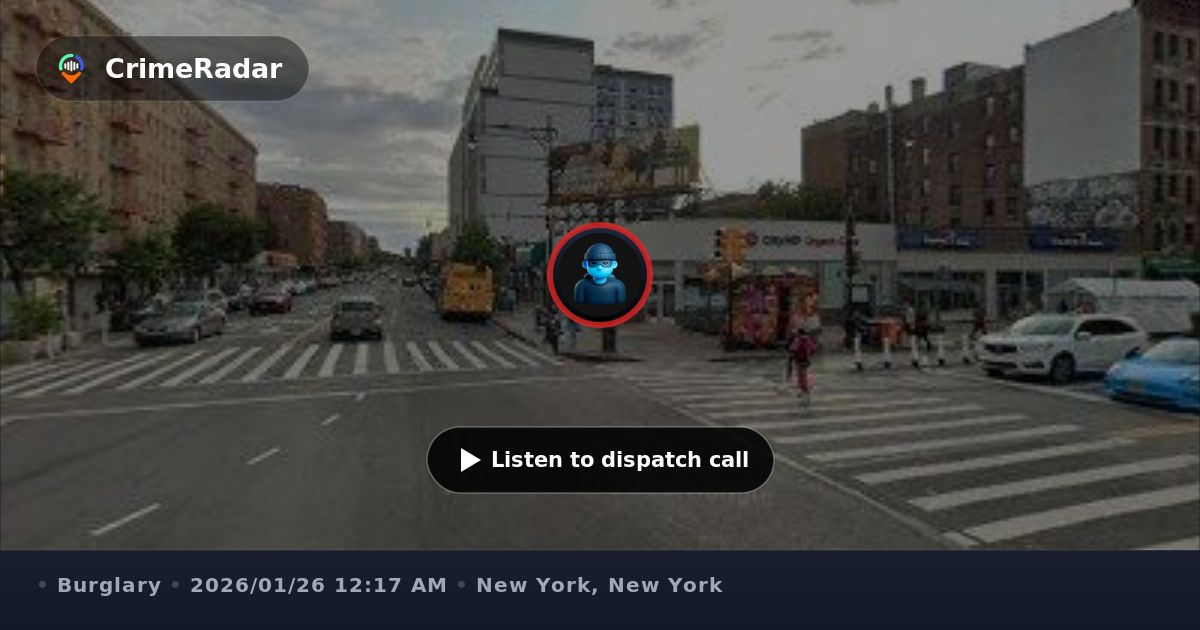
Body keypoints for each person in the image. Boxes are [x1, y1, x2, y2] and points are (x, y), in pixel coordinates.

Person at [788, 328, 817, 402]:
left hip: (800, 359)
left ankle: (804, 390)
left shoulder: (799, 340)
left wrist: (792, 355)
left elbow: (793, 349)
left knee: (801, 376)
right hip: (805, 359)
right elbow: (813, 349)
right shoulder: (807, 340)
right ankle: (804, 390)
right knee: (803, 375)